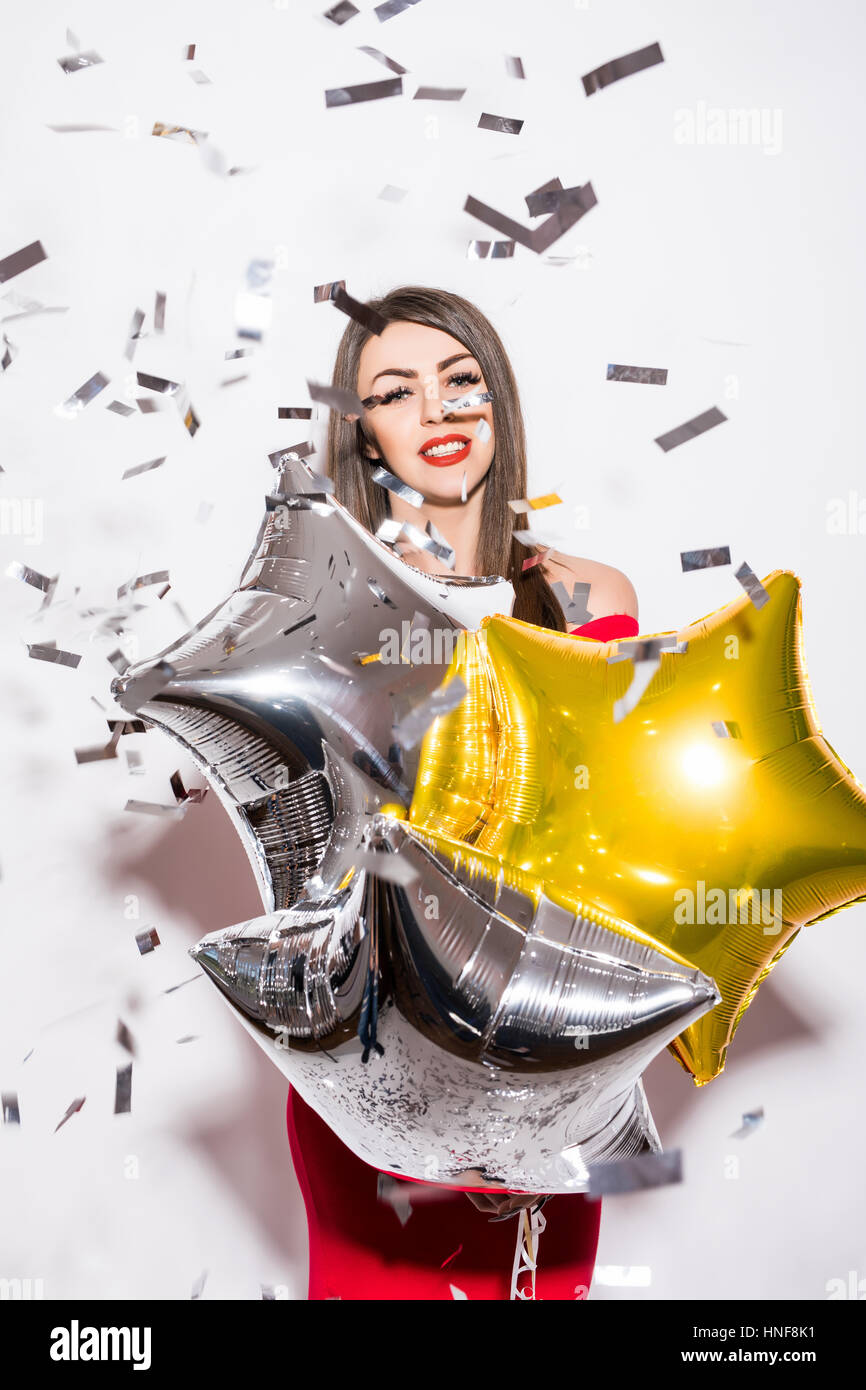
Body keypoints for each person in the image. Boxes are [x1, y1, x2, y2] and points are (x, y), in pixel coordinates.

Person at [287, 285, 640, 1299]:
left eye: (459, 381)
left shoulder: (589, 598)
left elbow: (604, 835)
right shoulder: (328, 611)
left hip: (547, 1058)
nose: (436, 412)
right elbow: (319, 862)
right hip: (378, 1061)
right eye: (395, 393)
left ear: (498, 402)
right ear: (362, 437)